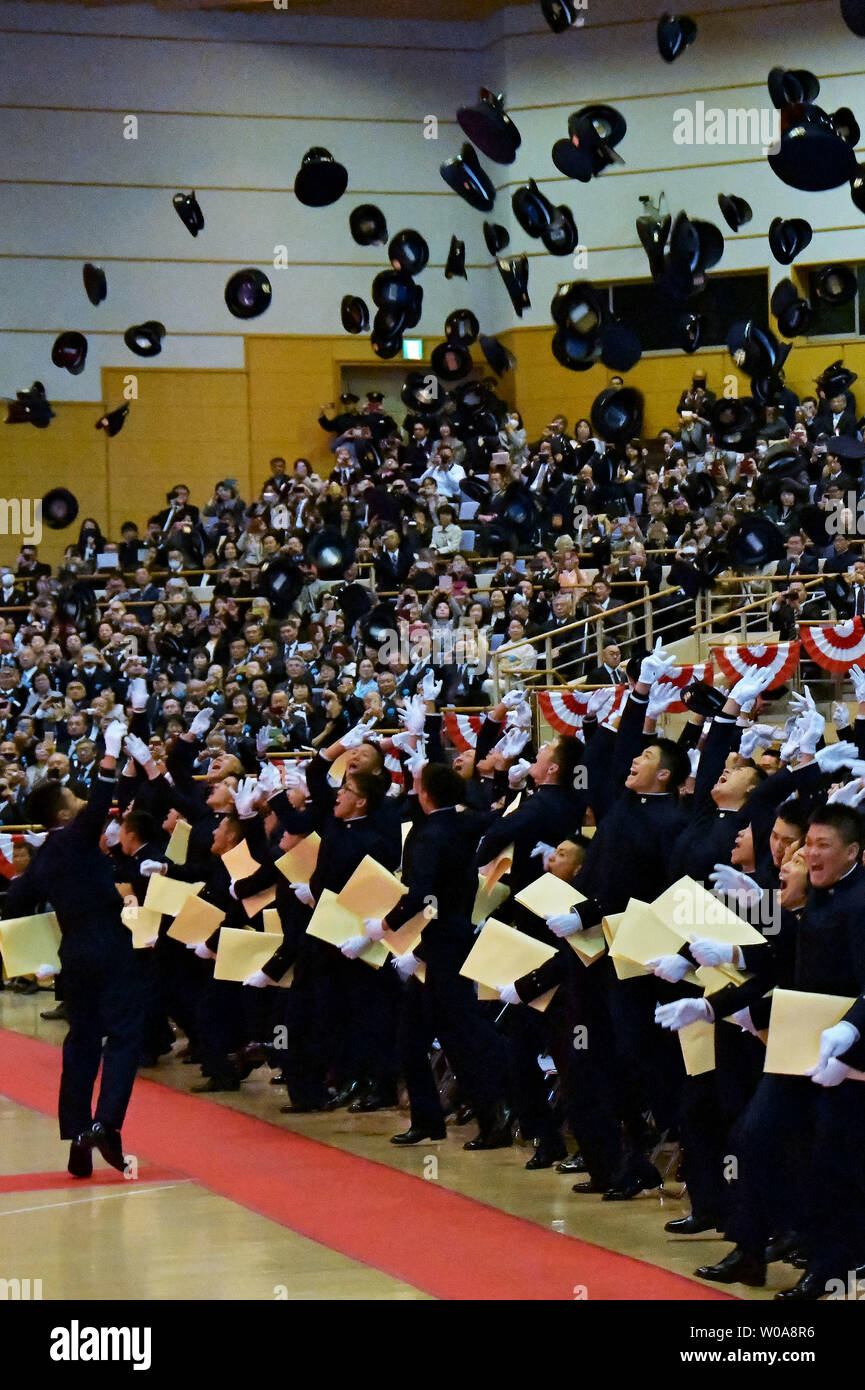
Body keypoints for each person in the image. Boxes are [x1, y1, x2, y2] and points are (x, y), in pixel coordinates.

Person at [3, 719, 147, 1177]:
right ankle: (105, 1124)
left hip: (74, 954)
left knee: (81, 1041)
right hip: (110, 945)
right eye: (73, 800)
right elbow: (102, 800)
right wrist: (108, 752)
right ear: (64, 815)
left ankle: (77, 1132)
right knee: (124, 1035)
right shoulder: (75, 836)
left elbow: (16, 903)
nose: (81, 803)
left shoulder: (46, 857)